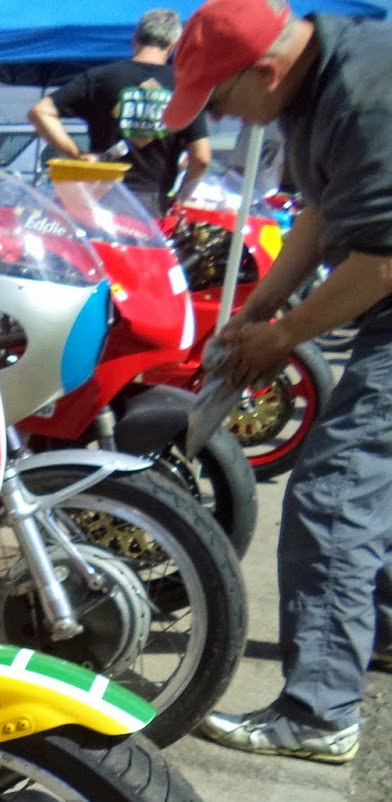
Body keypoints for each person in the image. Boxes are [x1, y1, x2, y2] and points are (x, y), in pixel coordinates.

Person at [161, 0, 392, 763]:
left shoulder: (365, 91)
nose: (227, 119)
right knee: (372, 485)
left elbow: (379, 262)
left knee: (336, 490)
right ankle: (375, 635)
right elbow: (322, 216)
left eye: (223, 101)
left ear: (265, 68)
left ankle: (319, 714)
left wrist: (286, 336)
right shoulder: (314, 84)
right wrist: (259, 311)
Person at [29, 9, 213, 216]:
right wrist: (180, 199)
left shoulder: (101, 77)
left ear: (135, 39)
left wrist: (77, 155)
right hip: (152, 202)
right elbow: (202, 157)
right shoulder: (183, 87)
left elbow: (40, 111)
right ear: (174, 45)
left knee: (98, 248)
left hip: (100, 193)